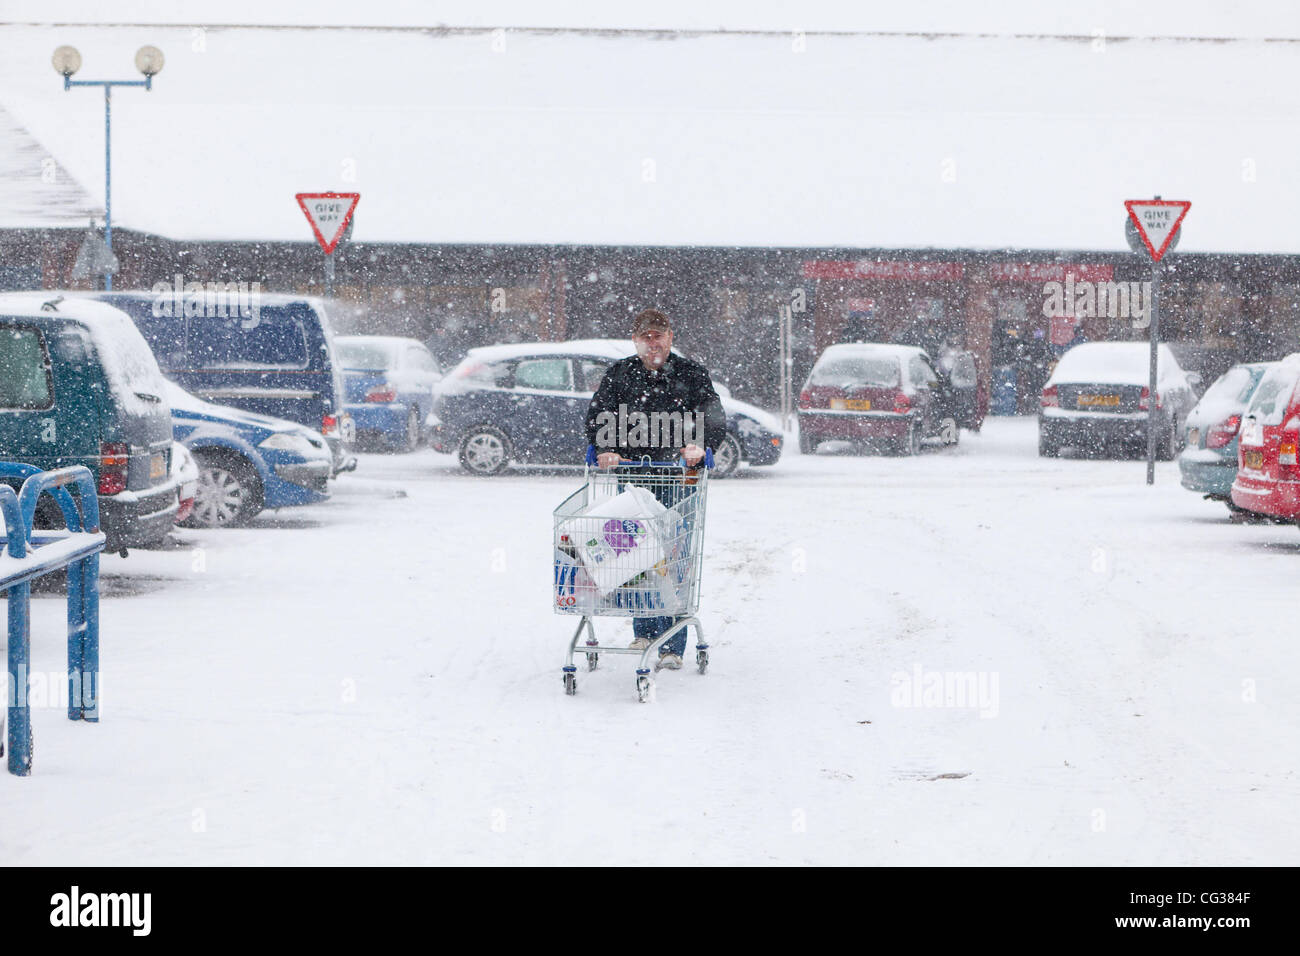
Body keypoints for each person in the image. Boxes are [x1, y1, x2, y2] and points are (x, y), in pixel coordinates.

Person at [584, 308, 725, 670]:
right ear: (635, 340)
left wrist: (700, 446)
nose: (653, 343)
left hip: (677, 477)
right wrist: (604, 449)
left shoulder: (691, 375)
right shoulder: (619, 374)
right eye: (646, 337)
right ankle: (645, 630)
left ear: (670, 338)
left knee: (674, 554)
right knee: (635, 553)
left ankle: (673, 642)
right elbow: (598, 416)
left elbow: (713, 417)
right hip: (633, 477)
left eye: (658, 336)